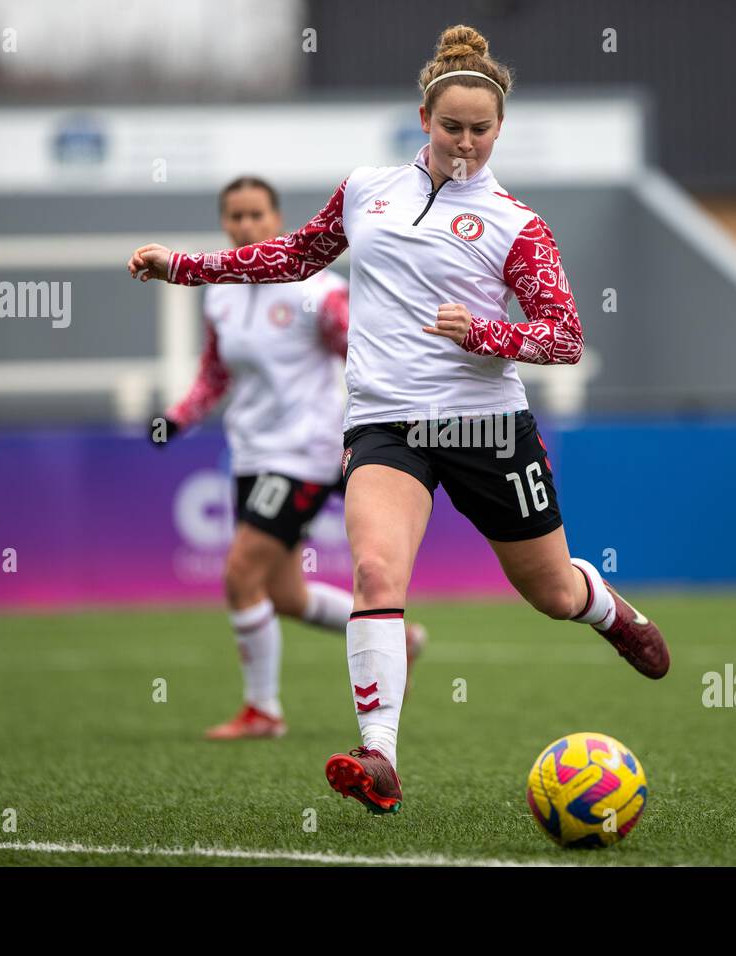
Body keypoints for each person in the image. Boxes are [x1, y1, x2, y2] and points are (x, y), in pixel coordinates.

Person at [129, 25, 668, 812]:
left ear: (499, 130)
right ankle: (378, 757)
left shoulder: (519, 226)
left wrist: (482, 333)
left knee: (550, 591)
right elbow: (291, 256)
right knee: (376, 574)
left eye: (481, 130)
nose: (465, 142)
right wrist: (186, 266)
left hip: (485, 427)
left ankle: (608, 610)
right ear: (423, 118)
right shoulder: (365, 190)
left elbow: (564, 336)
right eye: (452, 126)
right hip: (385, 426)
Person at [151, 175, 425, 741]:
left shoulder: (319, 291)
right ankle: (402, 639)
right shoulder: (220, 294)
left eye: (257, 215)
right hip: (251, 452)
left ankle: (263, 711)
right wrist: (179, 416)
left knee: (238, 573)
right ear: (225, 223)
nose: (246, 225)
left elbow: (365, 350)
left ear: (277, 222)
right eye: (236, 216)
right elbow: (214, 373)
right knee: (283, 594)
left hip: (306, 452)